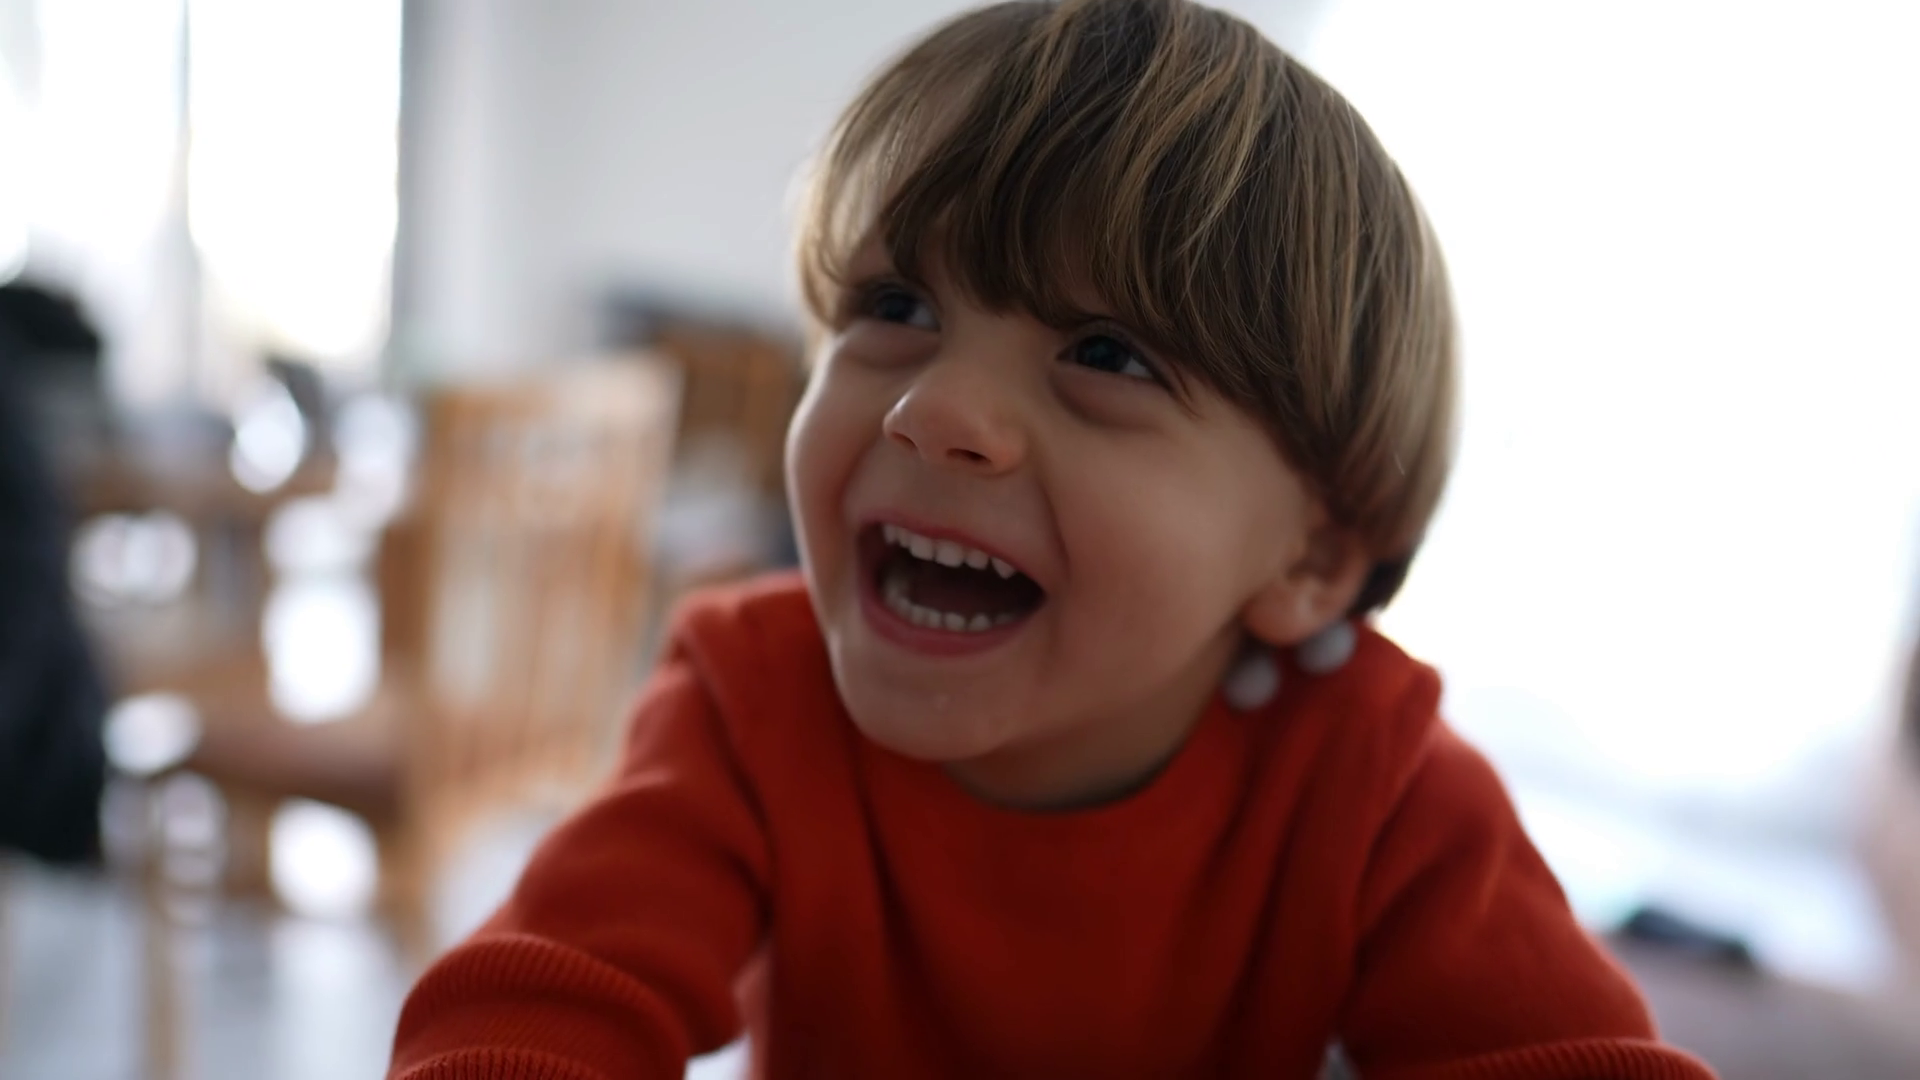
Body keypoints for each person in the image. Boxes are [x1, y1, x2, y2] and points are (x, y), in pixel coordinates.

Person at [390, 2, 1715, 1076]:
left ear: (1307, 560)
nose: (933, 407)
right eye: (896, 304)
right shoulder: (753, 697)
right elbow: (533, 1011)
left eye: (1106, 354)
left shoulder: (1373, 786)